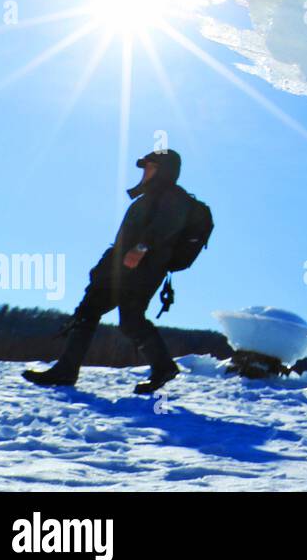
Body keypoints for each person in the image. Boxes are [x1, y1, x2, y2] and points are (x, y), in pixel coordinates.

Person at [23, 149, 195, 394]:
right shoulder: (147, 199)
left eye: (150, 166)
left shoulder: (172, 198)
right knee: (94, 312)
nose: (144, 171)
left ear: (164, 170)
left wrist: (140, 248)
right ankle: (67, 371)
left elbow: (167, 226)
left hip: (141, 269)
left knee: (126, 319)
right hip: (122, 267)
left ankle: (162, 368)